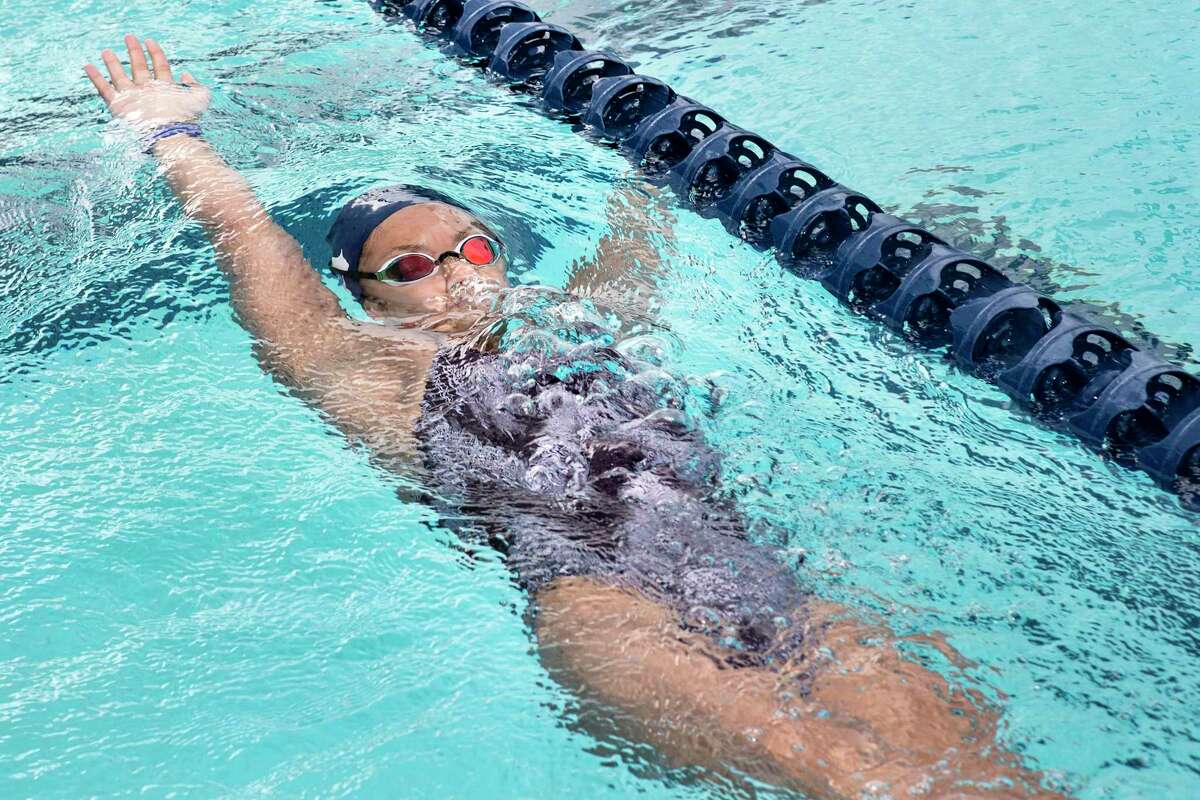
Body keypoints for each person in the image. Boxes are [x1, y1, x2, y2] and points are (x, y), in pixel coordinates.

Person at [84, 36, 1068, 799]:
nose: (458, 272)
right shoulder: (374, 376)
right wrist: (173, 137)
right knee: (857, 777)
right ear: (371, 297)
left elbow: (653, 199)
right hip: (602, 605)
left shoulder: (585, 323)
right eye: (414, 265)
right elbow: (253, 244)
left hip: (763, 581)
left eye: (470, 247)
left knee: (987, 768)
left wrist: (669, 106)